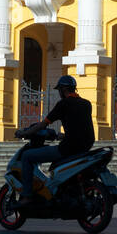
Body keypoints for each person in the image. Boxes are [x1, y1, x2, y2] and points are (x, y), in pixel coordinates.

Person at [17, 75, 94, 206]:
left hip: (68, 148)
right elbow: (80, 126)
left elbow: (43, 124)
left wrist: (24, 133)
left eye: (59, 90)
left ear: (63, 89)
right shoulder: (87, 104)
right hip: (85, 146)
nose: (59, 93)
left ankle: (27, 195)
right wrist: (63, 135)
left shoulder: (63, 104)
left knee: (27, 156)